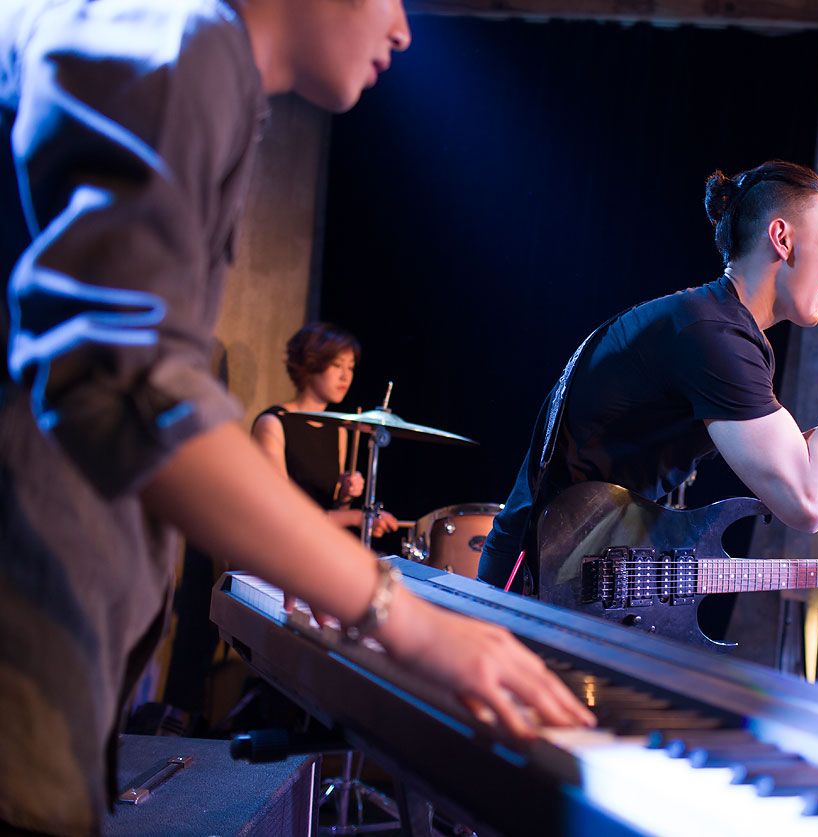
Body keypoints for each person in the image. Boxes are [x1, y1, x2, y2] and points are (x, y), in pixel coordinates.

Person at [0, 1, 591, 833]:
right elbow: (124, 383)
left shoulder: (199, 64)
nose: (405, 31)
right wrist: (403, 620)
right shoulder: (176, 44)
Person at [478, 160, 818, 590]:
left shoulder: (720, 326)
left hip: (572, 568)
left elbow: (783, 465)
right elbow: (808, 503)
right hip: (537, 579)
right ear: (782, 238)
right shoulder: (712, 337)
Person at [252, 322, 399, 538]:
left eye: (350, 367)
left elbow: (333, 514)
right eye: (337, 365)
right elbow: (281, 511)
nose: (345, 376)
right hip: (274, 546)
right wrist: (359, 517)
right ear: (311, 364)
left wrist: (345, 497)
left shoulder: (338, 429)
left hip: (314, 544)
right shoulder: (273, 423)